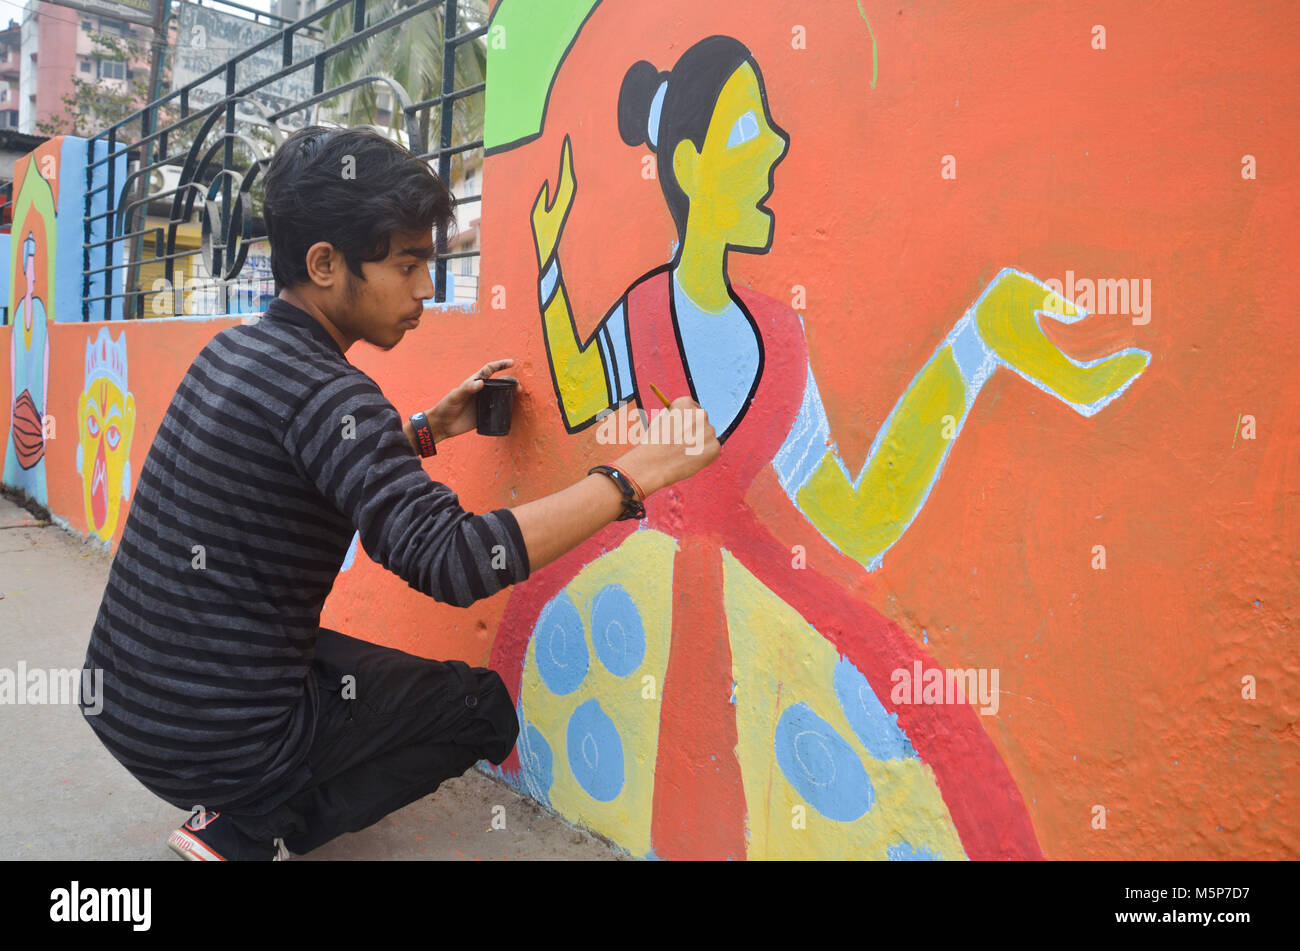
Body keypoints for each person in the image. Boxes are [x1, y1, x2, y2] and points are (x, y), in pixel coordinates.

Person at [491, 35, 1148, 859]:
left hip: (761, 623)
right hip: (624, 610)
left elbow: (862, 517)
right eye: (748, 130)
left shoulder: (780, 337)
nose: (776, 144)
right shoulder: (644, 308)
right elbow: (585, 392)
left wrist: (979, 342)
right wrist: (550, 265)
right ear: (688, 167)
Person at [76, 125, 720, 861]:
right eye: (408, 263)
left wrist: (420, 433)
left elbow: (292, 475)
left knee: (321, 662)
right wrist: (629, 476)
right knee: (477, 711)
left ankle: (242, 798)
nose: (426, 288)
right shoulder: (332, 395)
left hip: (126, 698)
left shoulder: (234, 350)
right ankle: (247, 823)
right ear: (326, 264)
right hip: (212, 734)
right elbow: (457, 562)